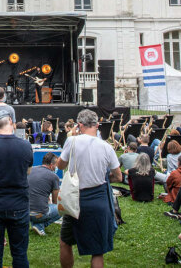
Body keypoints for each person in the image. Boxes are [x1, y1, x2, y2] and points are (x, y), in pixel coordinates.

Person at [57, 109, 122, 268]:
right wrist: (105, 178)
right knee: (97, 251)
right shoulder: (106, 147)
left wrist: (72, 137)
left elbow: (60, 165)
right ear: (97, 125)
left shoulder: (72, 141)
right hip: (98, 198)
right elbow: (119, 177)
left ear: (79, 125)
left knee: (65, 242)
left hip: (75, 197)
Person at [0, 108, 34, 268]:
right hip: (19, 204)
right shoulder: (25, 146)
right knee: (20, 253)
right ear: (11, 121)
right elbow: (28, 172)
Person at [27, 152, 62, 235]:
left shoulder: (31, 170)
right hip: (39, 214)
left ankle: (37, 223)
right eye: (56, 165)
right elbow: (55, 201)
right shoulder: (54, 177)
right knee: (61, 208)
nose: (56, 167)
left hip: (25, 212)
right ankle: (39, 225)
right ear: (51, 165)